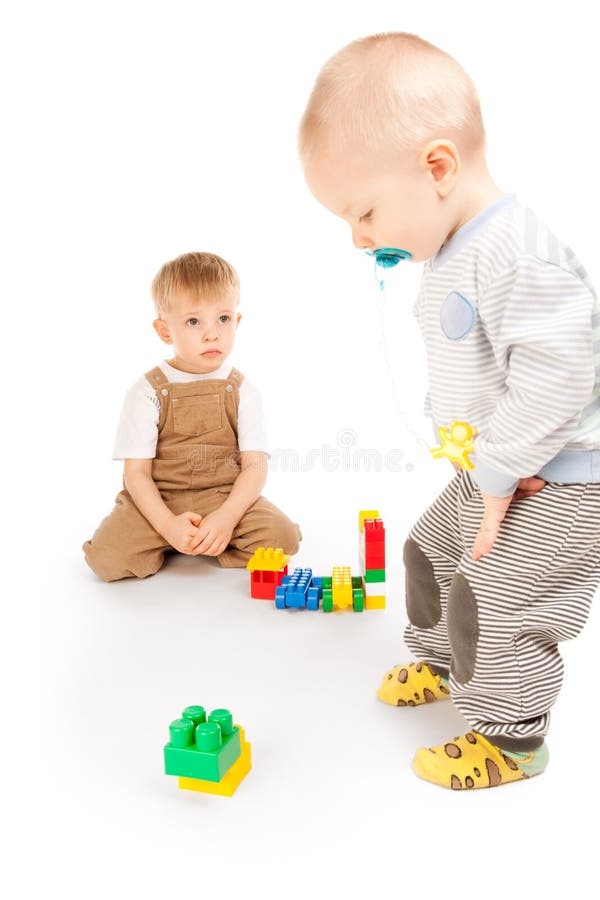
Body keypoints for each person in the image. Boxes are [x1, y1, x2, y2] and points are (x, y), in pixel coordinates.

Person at [298, 32, 600, 789]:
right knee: (430, 552)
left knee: (496, 593)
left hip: (558, 481)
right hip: (497, 466)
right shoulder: (454, 250)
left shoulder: (517, 254)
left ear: (436, 166)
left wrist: (500, 468)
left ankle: (513, 737)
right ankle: (441, 661)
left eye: (363, 212)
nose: (359, 239)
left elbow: (562, 372)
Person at [83, 251, 301, 582]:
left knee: (282, 539)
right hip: (158, 501)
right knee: (106, 560)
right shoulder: (146, 391)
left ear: (237, 322)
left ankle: (209, 536)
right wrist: (168, 525)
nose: (212, 333)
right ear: (164, 330)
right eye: (193, 321)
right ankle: (171, 539)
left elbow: (255, 467)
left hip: (223, 496)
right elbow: (137, 475)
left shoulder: (244, 390)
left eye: (223, 319)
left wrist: (226, 518)